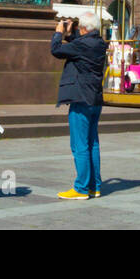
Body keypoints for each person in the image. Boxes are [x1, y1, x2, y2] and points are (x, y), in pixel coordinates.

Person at [51, 10, 107, 199]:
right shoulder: (100, 43)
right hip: (95, 99)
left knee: (79, 145)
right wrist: (71, 31)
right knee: (93, 143)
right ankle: (94, 186)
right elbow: (79, 41)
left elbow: (56, 50)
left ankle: (81, 188)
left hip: (81, 98)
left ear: (83, 28)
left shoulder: (81, 45)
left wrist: (59, 32)